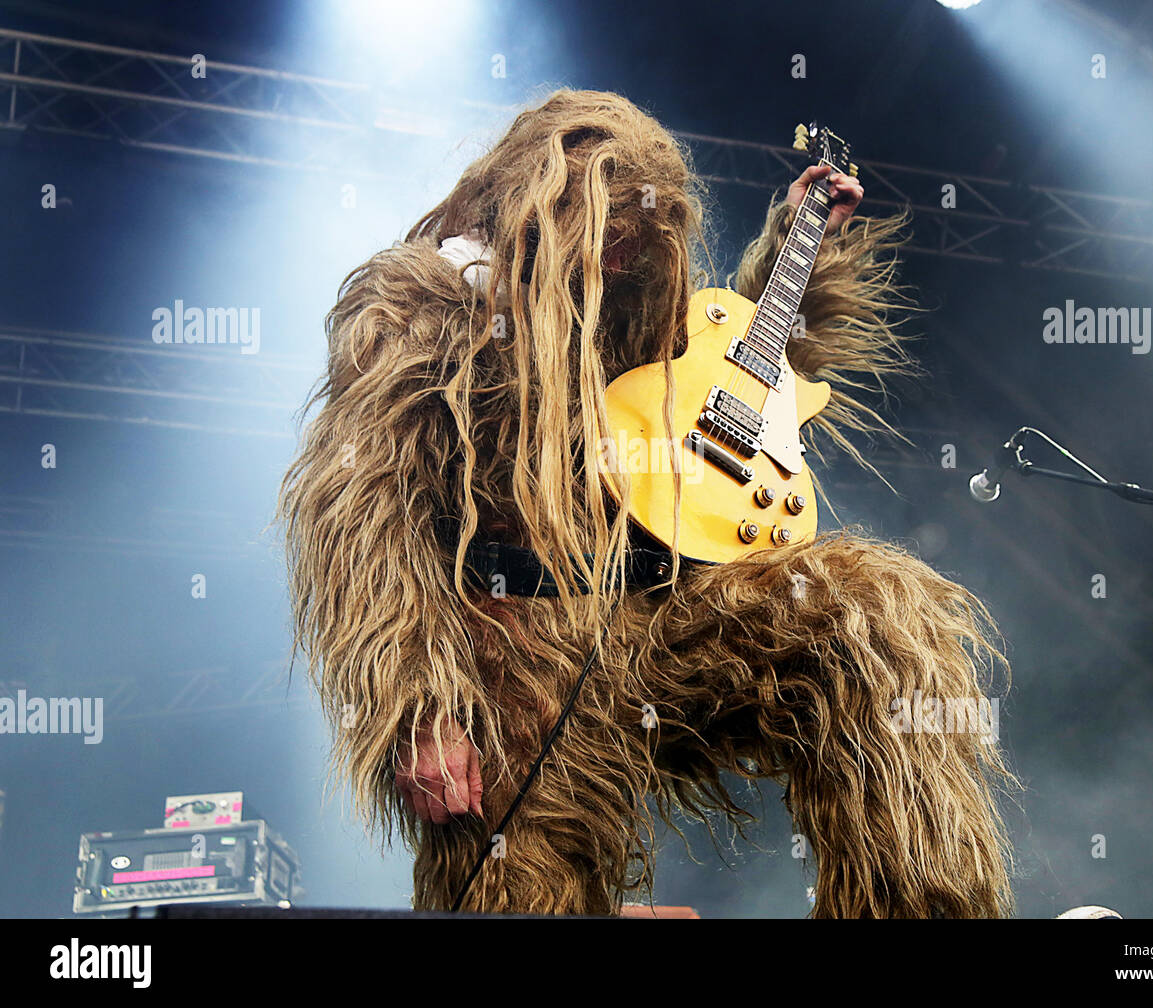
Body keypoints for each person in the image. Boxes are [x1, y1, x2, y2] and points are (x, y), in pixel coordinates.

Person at [280, 89, 1015, 917]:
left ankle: (921, 908)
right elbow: (360, 521)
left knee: (876, 617)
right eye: (607, 244)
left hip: (656, 616)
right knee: (522, 893)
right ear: (536, 206)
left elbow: (733, 375)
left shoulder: (636, 297)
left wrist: (798, 256)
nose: (619, 265)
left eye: (638, 248)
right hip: (506, 666)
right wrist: (415, 710)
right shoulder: (426, 304)